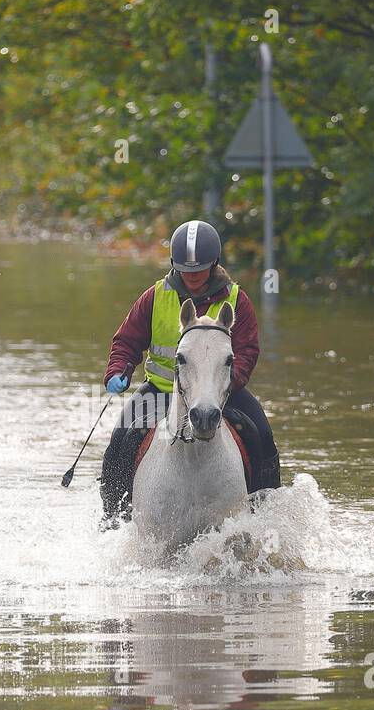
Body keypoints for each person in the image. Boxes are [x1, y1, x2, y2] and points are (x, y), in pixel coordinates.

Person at [99, 219, 280, 526]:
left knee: (260, 434)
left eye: (199, 270)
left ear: (214, 265)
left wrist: (228, 383)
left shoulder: (236, 299)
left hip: (221, 391)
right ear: (174, 265)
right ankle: (113, 519)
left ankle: (266, 517)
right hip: (161, 389)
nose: (192, 277)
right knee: (120, 440)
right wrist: (119, 371)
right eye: (186, 270)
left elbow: (248, 349)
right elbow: (128, 340)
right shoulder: (155, 296)